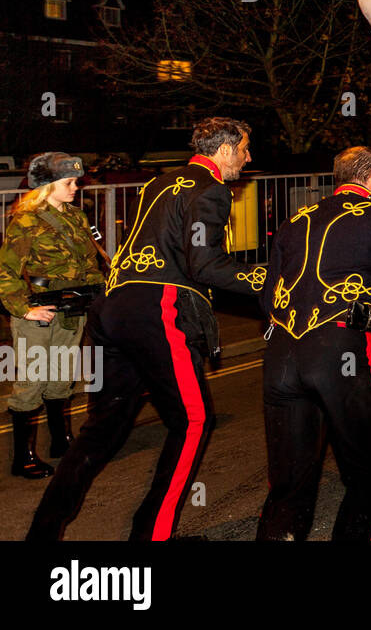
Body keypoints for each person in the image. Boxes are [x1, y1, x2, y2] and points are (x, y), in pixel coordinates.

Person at [27, 117, 264, 541]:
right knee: (192, 421)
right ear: (224, 150)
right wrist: (273, 280)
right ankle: (151, 536)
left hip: (115, 308)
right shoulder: (212, 189)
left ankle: (43, 532)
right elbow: (205, 265)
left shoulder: (158, 183)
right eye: (244, 149)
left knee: (102, 429)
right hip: (159, 309)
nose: (248, 158)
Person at [256, 146, 371, 541]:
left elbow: (267, 298)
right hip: (341, 353)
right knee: (368, 476)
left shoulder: (295, 220)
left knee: (288, 483)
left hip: (281, 357)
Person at [0, 153, 103, 479]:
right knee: (32, 382)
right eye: (68, 182)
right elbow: (7, 272)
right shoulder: (27, 220)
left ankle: (61, 441)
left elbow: (90, 264)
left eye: (75, 181)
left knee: (61, 379)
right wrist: (24, 310)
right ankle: (24, 456)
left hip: (72, 310)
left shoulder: (76, 216)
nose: (76, 187)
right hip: (38, 313)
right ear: (46, 186)